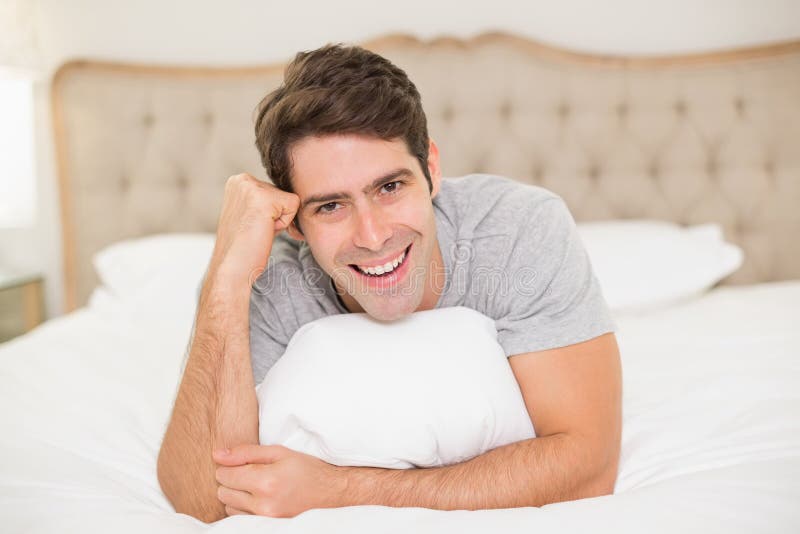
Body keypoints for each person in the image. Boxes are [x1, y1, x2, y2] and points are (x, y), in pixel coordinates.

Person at [157, 43, 622, 523]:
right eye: (331, 206)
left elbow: (589, 471)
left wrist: (340, 490)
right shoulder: (268, 281)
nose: (374, 236)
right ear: (293, 222)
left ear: (432, 170)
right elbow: (206, 502)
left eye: (390, 187)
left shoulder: (520, 230)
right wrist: (225, 277)